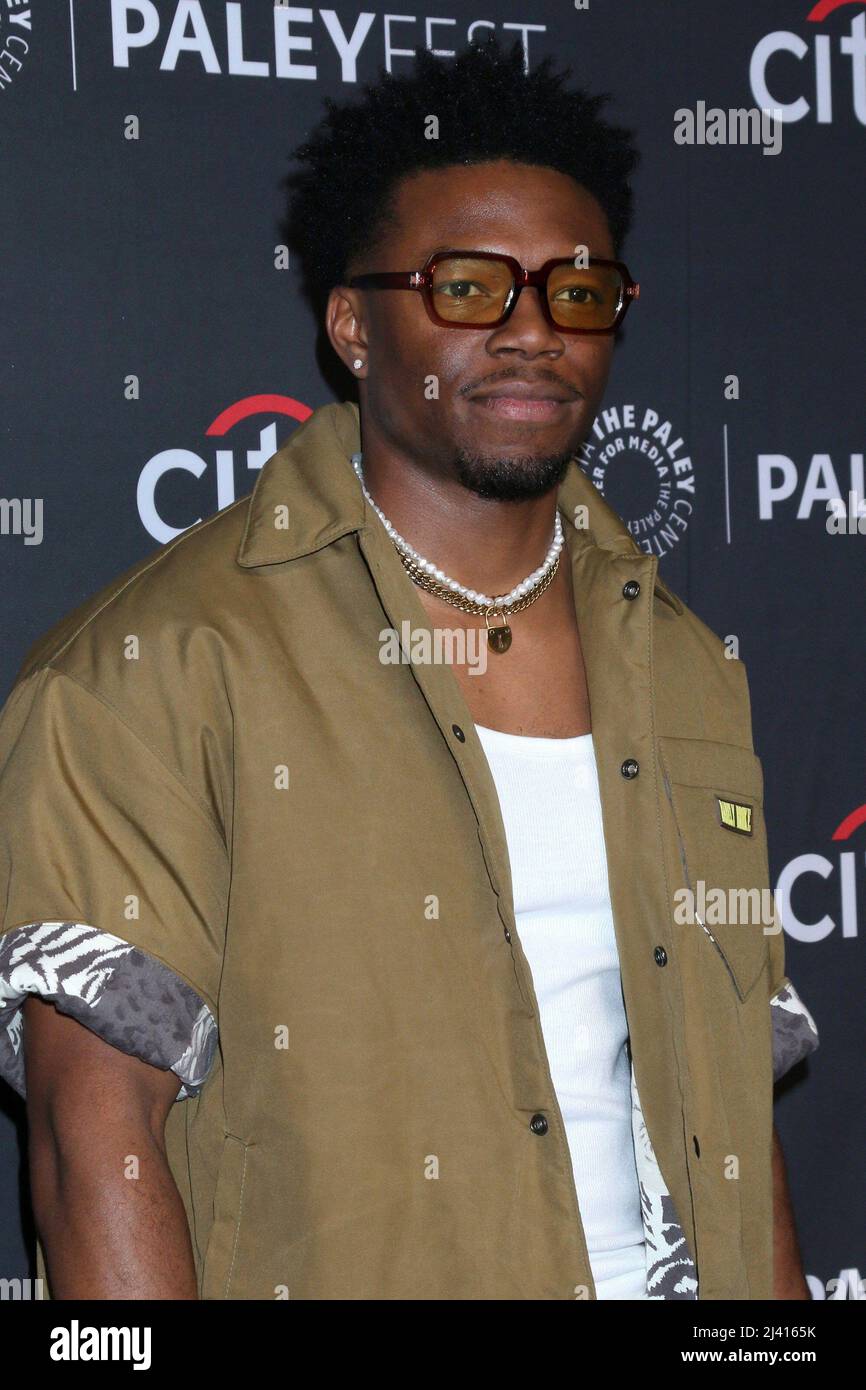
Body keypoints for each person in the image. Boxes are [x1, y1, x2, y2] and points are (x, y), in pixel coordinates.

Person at [0, 37, 819, 1301]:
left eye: (577, 291)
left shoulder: (689, 666)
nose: (534, 331)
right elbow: (86, 1140)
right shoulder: (155, 664)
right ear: (351, 326)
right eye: (469, 288)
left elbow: (735, 1110)